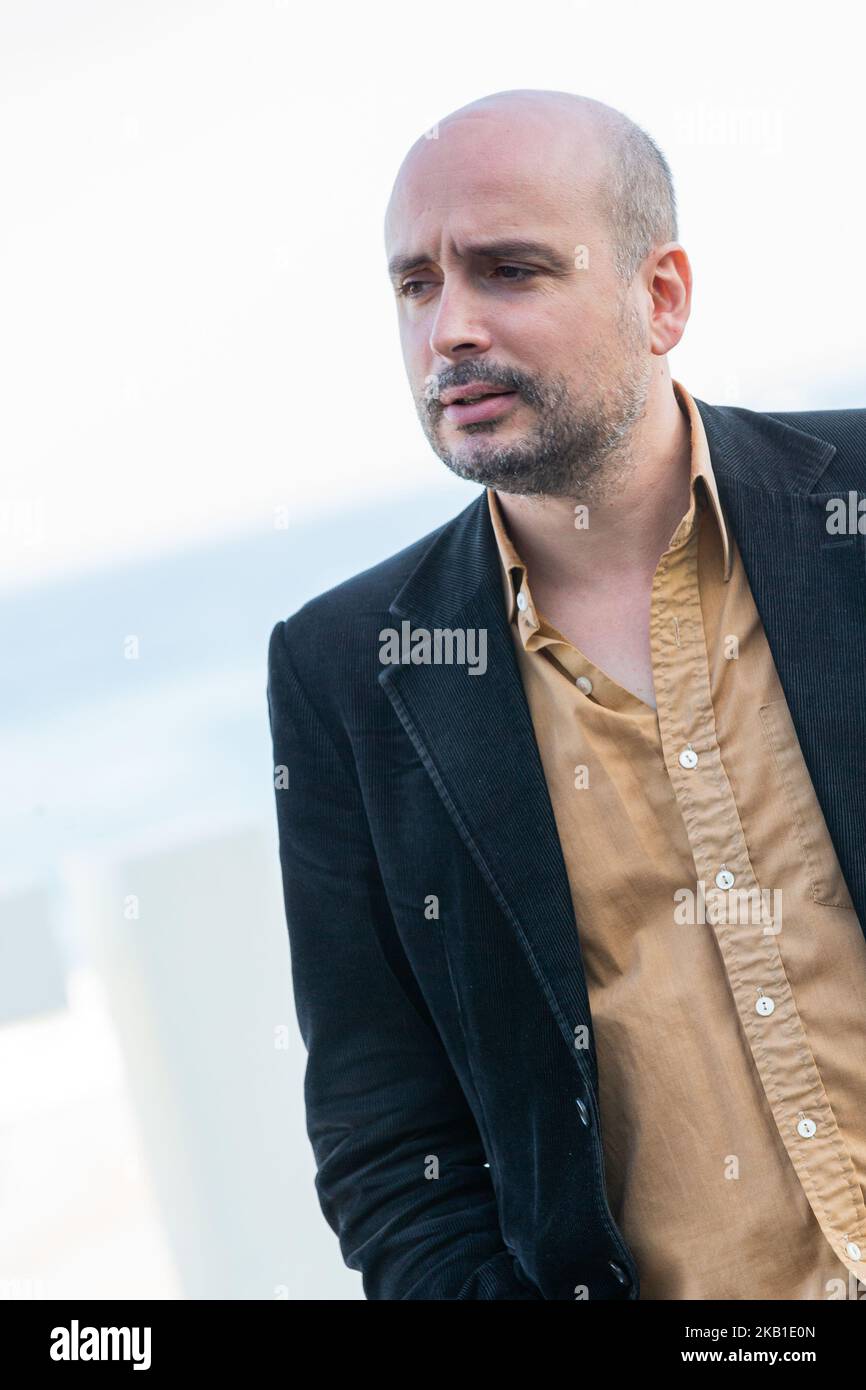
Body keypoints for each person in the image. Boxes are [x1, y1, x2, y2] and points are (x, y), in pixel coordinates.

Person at [267, 88, 866, 1300]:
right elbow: (391, 1148)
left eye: (508, 270)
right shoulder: (347, 672)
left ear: (660, 297)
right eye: (416, 286)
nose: (449, 330)